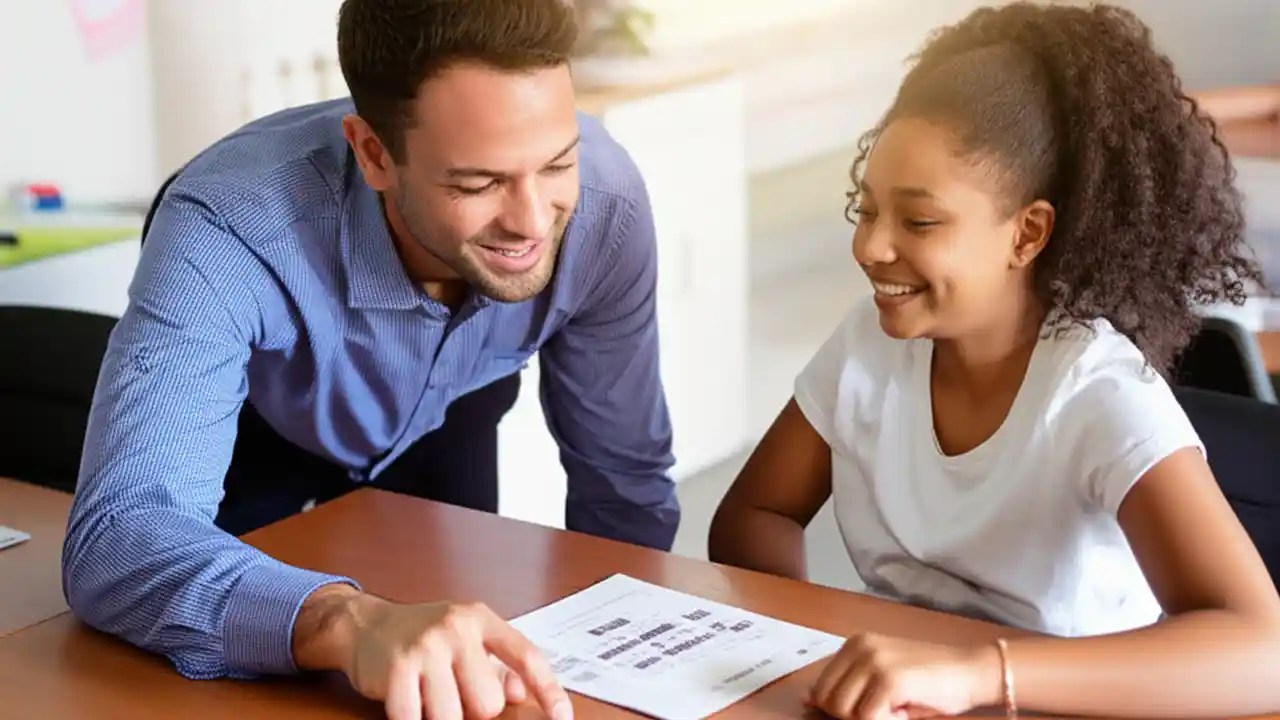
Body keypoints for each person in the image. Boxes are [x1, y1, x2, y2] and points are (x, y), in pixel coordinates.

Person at [62, 1, 679, 718]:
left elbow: (624, 481)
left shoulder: (607, 203)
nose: (533, 220)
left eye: (557, 163)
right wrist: (344, 622)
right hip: (265, 427)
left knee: (451, 670)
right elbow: (119, 539)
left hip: (451, 410)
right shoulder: (226, 223)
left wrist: (629, 671)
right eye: (477, 183)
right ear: (374, 154)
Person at [709, 3, 1280, 719]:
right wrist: (816, 652)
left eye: (918, 221)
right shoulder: (870, 343)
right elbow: (754, 513)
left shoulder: (1097, 393)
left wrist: (976, 675)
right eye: (865, 209)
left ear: (1027, 233)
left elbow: (1265, 651)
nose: (871, 247)